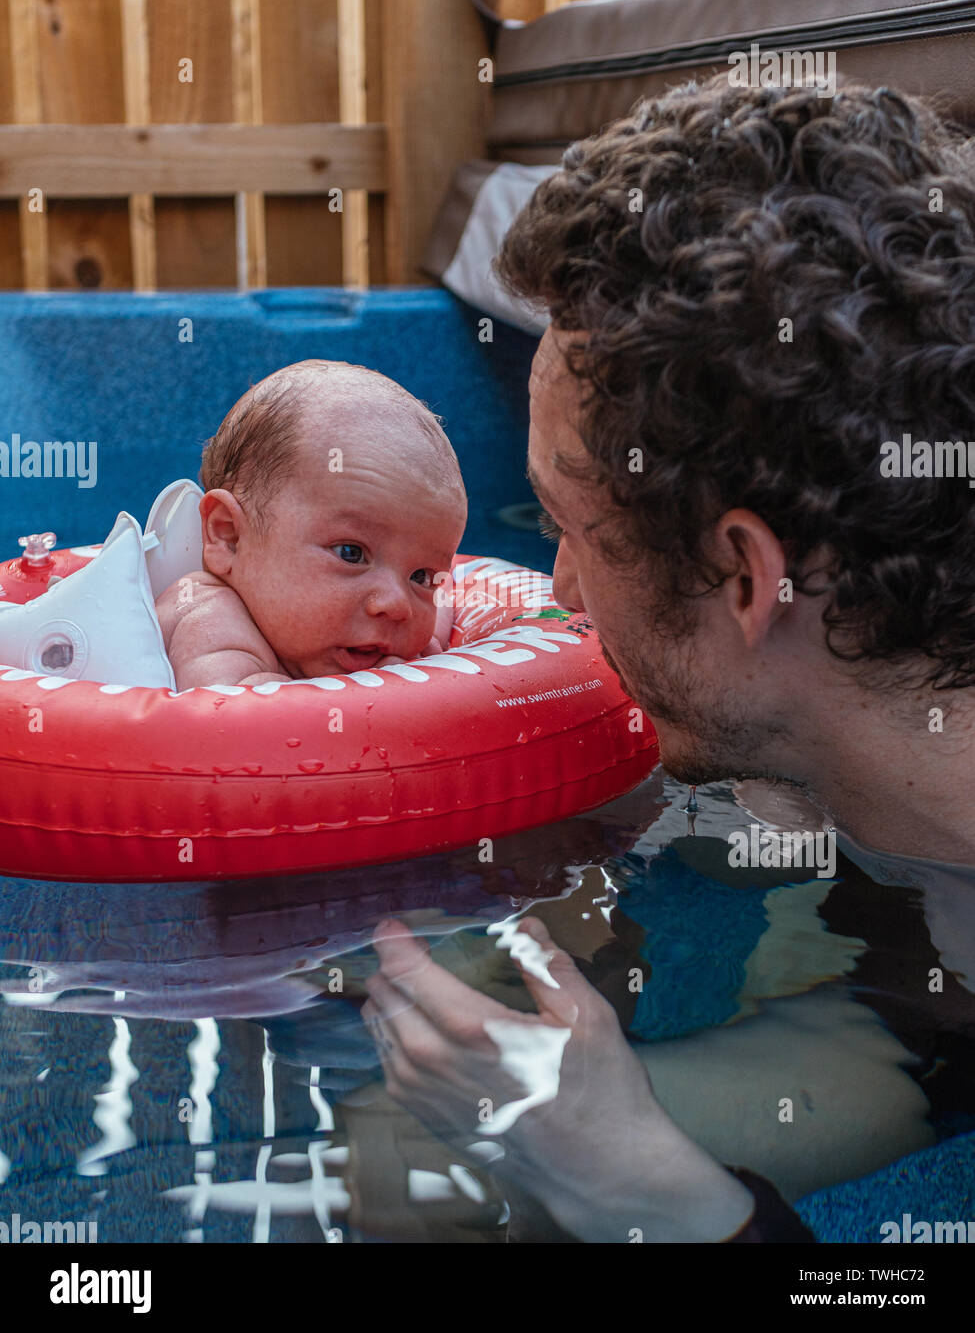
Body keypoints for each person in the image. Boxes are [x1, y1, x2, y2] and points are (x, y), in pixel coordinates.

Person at [362, 75, 975, 1241]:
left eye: (571, 528)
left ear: (748, 579)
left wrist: (643, 1185)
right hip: (907, 991)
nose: (557, 592)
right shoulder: (867, 683)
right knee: (402, 1168)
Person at [156, 360, 466, 690]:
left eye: (421, 576)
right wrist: (388, 688)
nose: (396, 605)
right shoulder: (207, 616)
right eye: (351, 553)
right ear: (230, 536)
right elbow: (240, 723)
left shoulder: (375, 623)